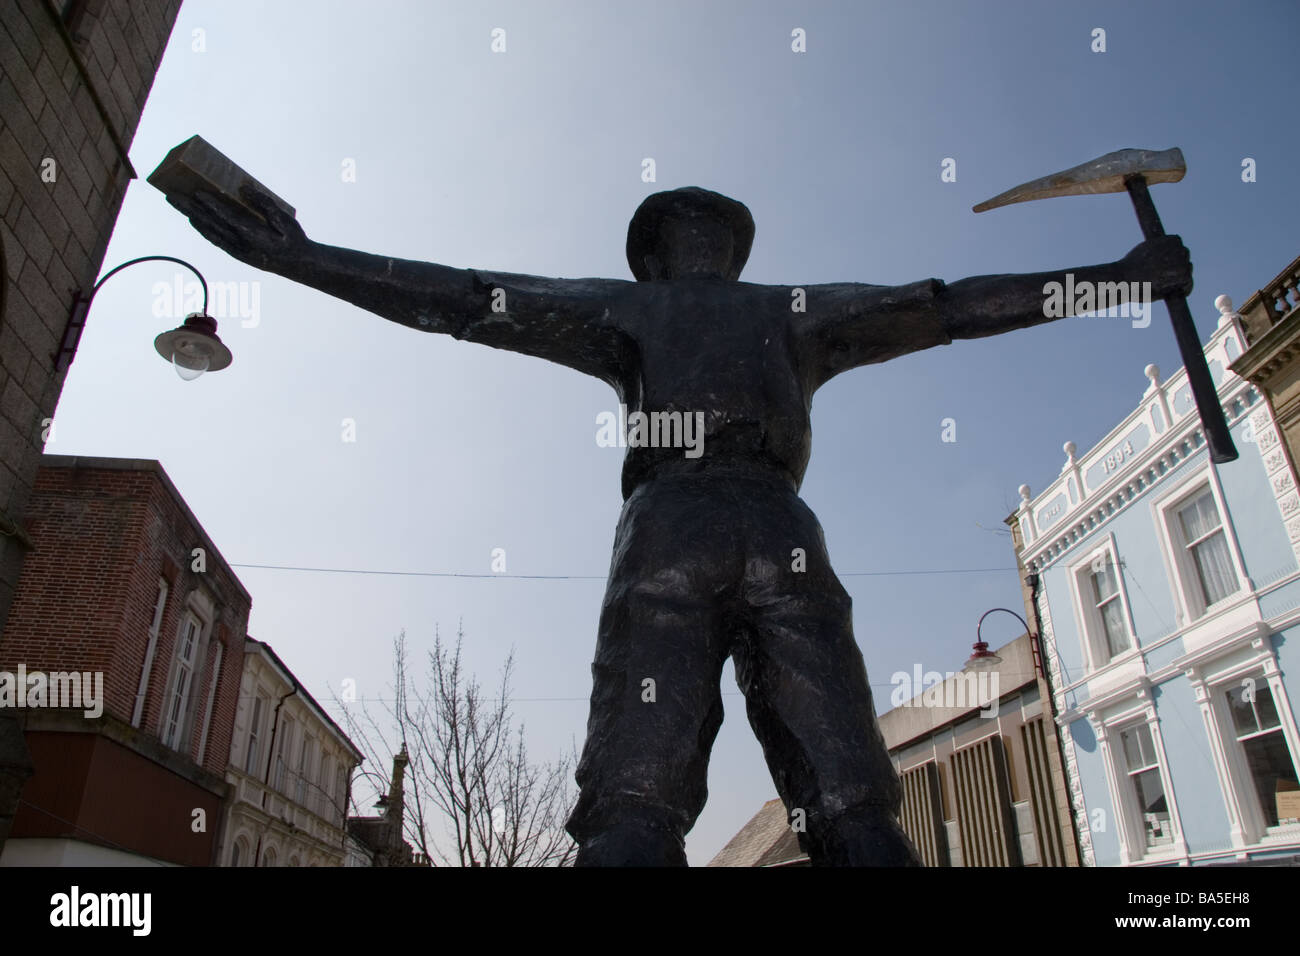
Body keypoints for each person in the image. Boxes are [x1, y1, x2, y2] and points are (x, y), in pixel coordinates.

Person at [168, 183, 1191, 865]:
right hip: (779, 522)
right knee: (848, 797)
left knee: (635, 799)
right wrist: (1123, 277)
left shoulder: (627, 307)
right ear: (733, 251)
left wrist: (294, 256)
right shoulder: (800, 308)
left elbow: (459, 297)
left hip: (668, 526)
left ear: (653, 258)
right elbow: (959, 303)